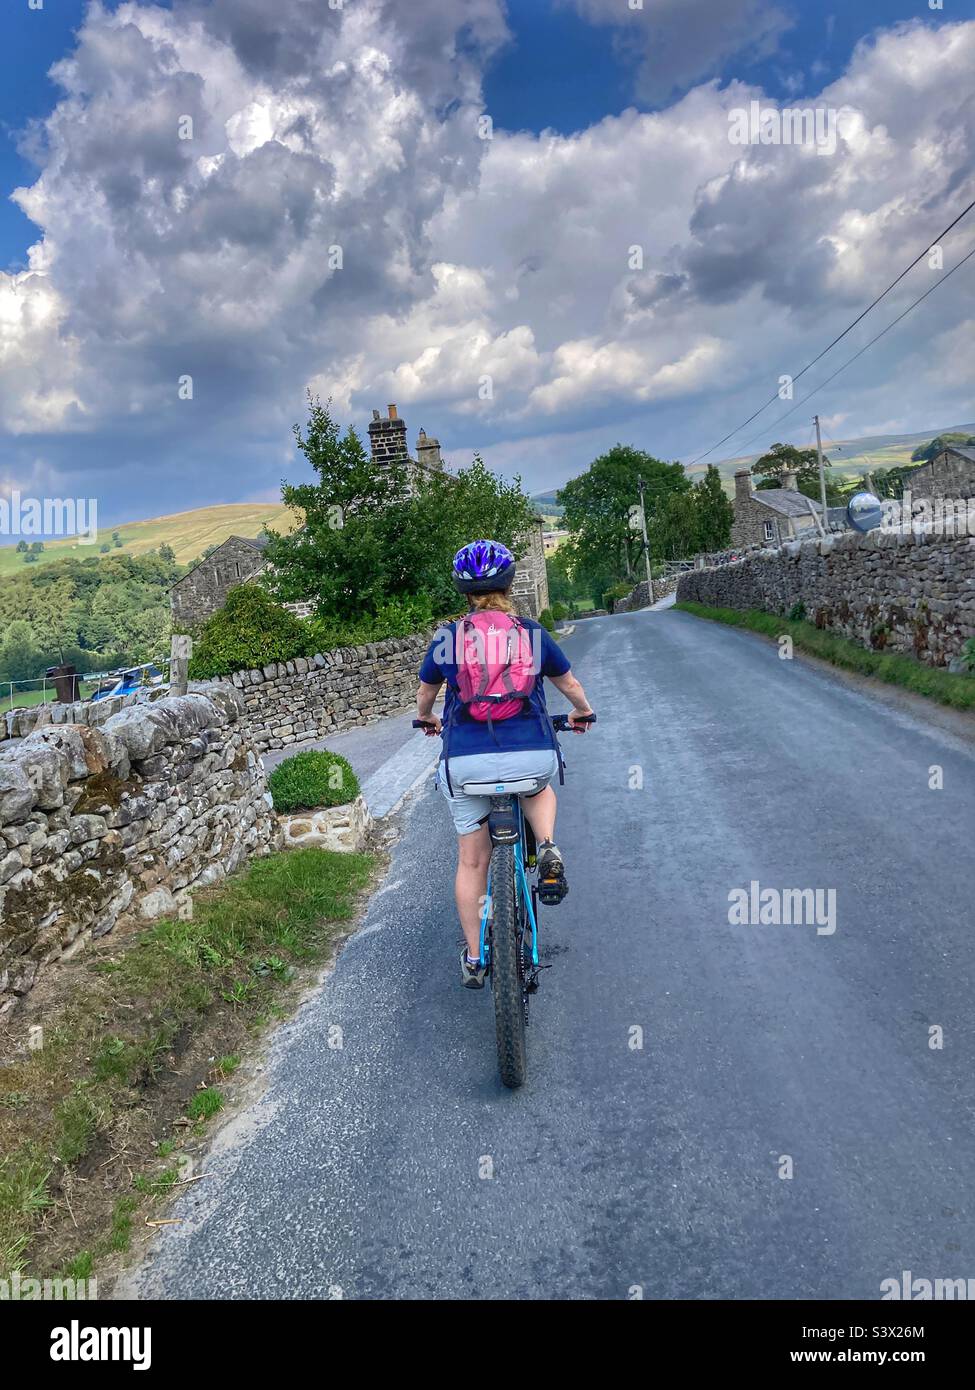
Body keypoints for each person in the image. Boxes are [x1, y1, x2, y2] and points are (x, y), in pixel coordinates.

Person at [416, 539, 595, 989]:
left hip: (466, 763)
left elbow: (425, 695)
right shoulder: (531, 633)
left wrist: (427, 719)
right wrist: (582, 712)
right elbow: (569, 683)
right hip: (529, 753)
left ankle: (476, 958)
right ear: (509, 583)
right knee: (537, 787)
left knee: (472, 863)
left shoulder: (447, 638)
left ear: (464, 591)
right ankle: (549, 846)